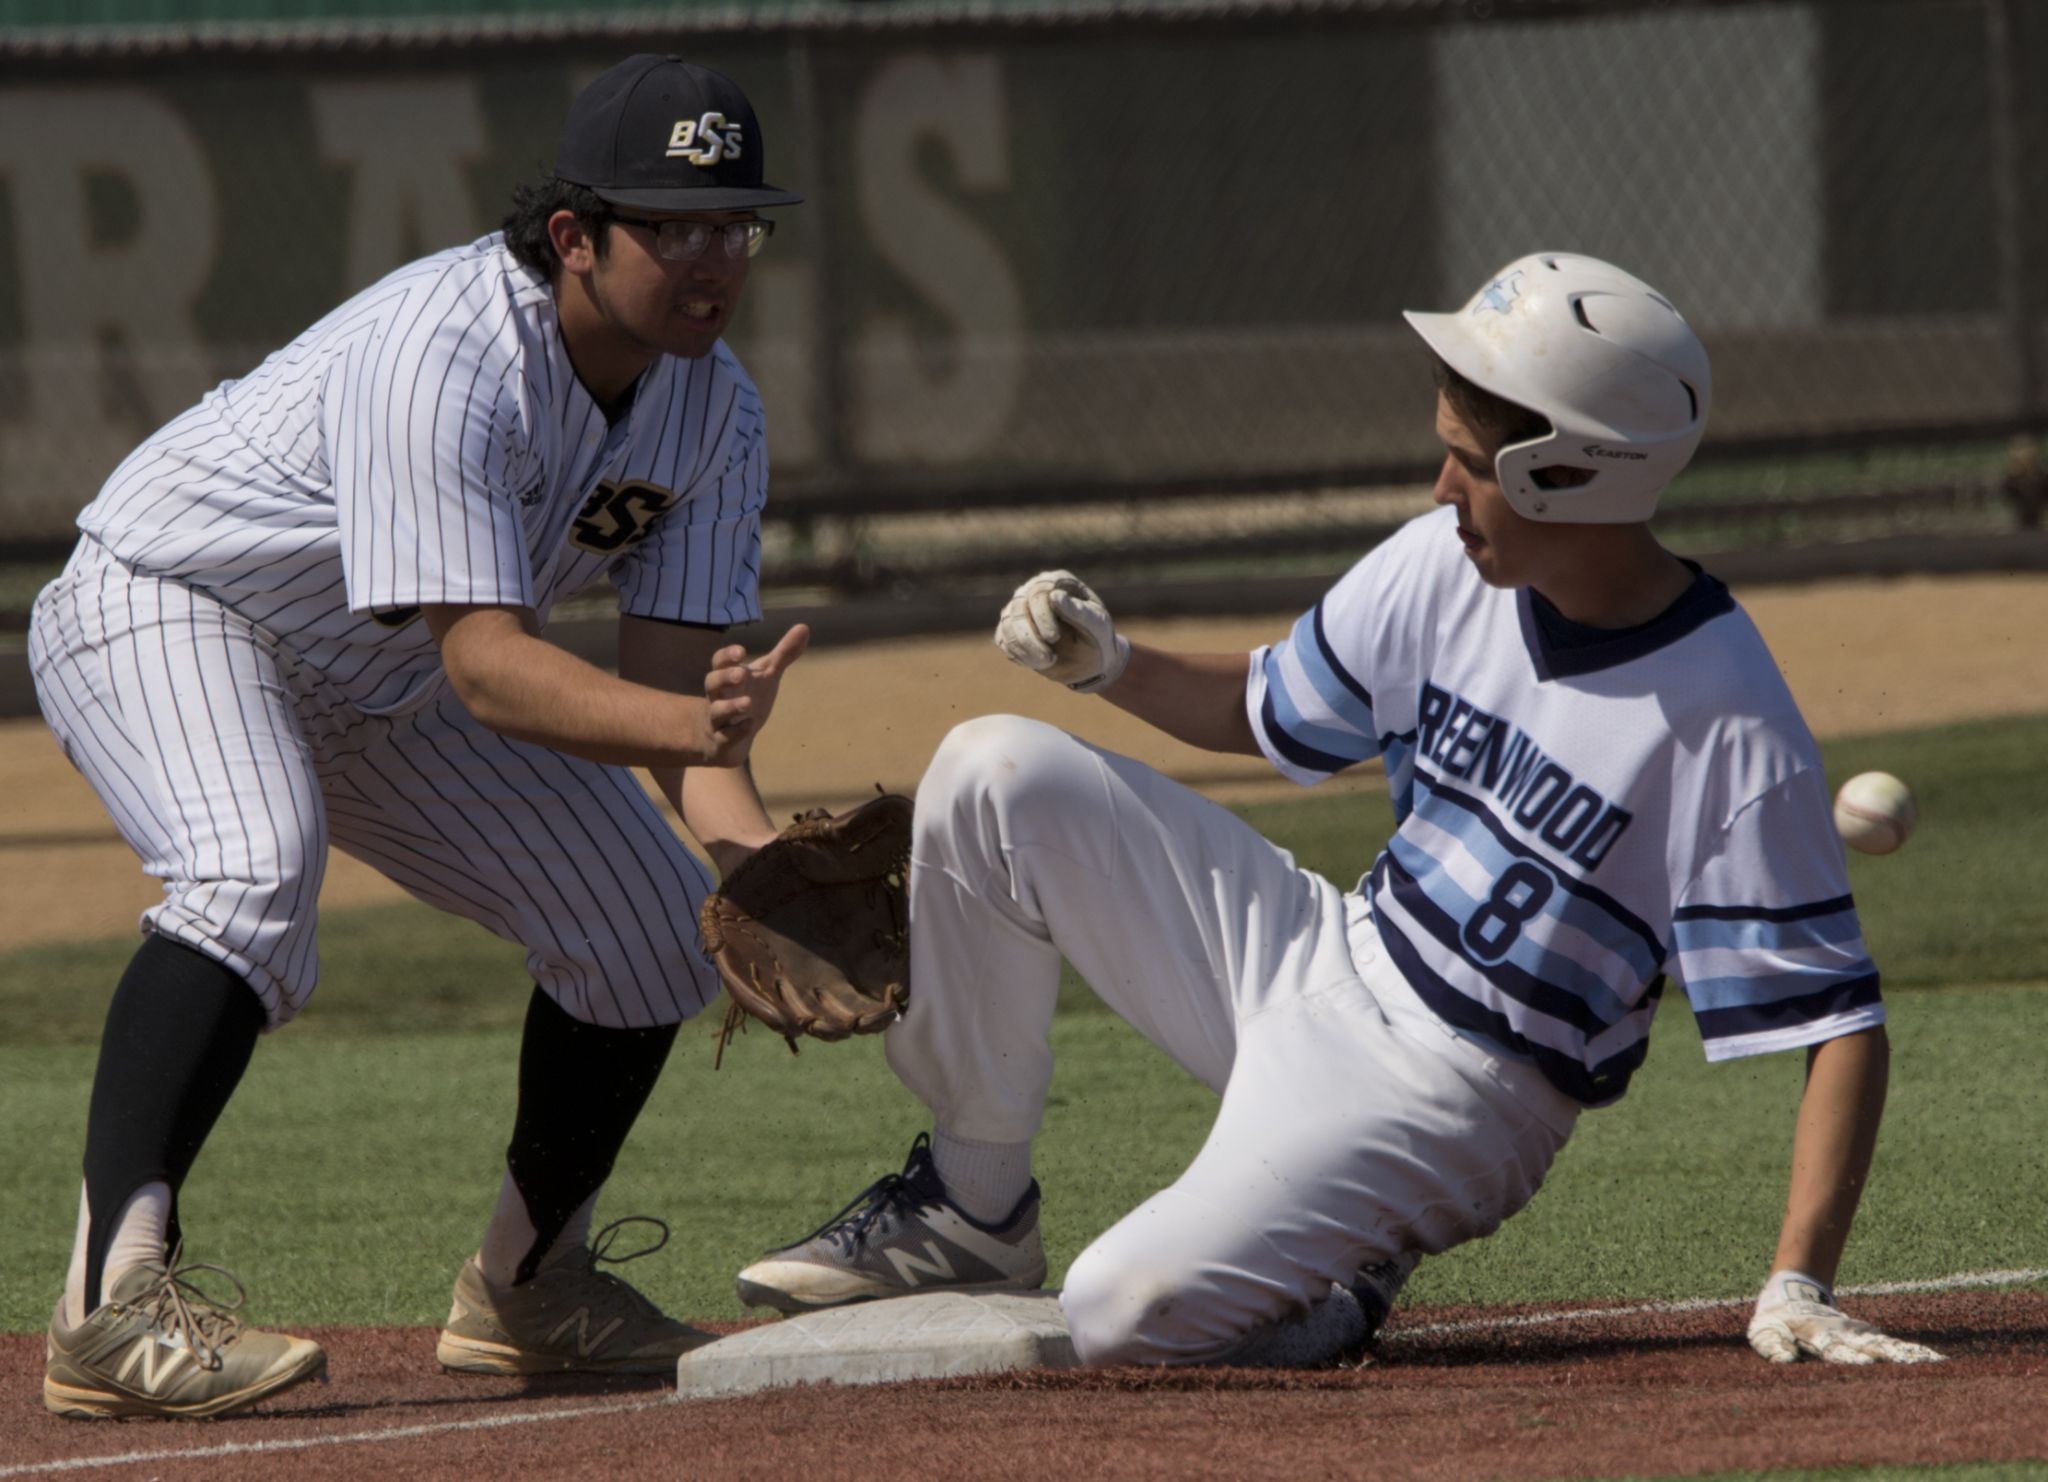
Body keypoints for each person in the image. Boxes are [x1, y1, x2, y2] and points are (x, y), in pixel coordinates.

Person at [733, 253, 1946, 1370]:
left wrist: (1799, 1281)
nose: (1439, 482)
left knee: (1120, 1313)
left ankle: (1345, 1282)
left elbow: (1836, 1019)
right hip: (1318, 945)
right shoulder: (1441, 563)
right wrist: (1108, 665)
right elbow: (1267, 711)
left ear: (1566, 472)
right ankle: (972, 1202)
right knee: (992, 766)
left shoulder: (1723, 716)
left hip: (1456, 1098)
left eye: (1468, 461)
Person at [30, 54, 810, 1419]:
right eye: (672, 225)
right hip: (176, 604)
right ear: (574, 235)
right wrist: (694, 727)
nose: (713, 259)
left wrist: (755, 866)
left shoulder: (715, 407)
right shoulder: (447, 348)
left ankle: (531, 1286)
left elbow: (679, 706)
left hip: (381, 679)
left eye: (734, 225)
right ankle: (109, 1303)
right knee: (250, 867)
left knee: (643, 926)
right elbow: (498, 672)